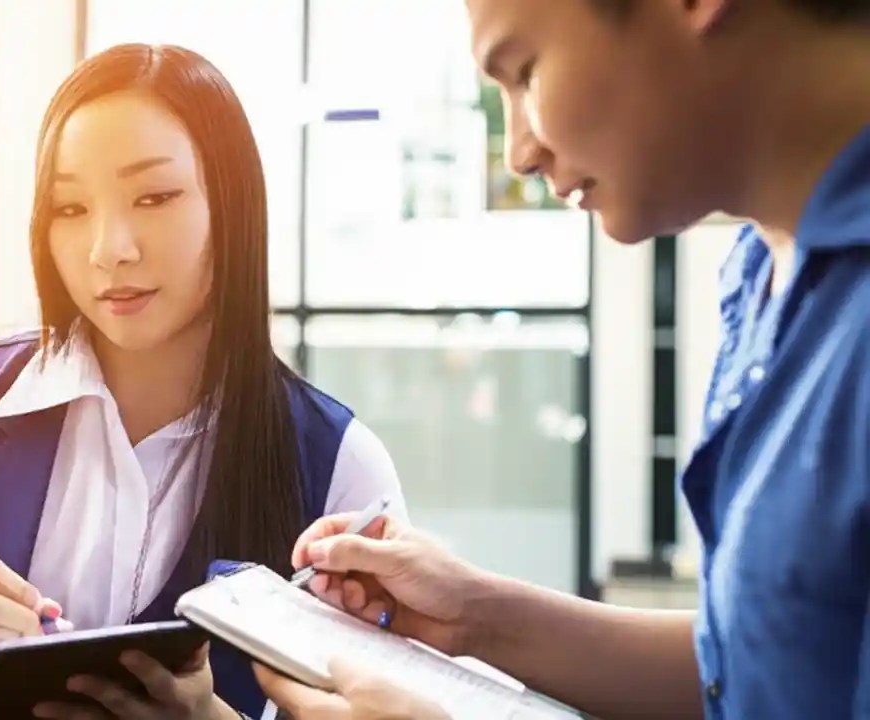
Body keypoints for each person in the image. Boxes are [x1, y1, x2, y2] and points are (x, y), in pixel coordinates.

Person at [255, 0, 870, 718]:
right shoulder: (764, 266)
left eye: (525, 73)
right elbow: (761, 668)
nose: (520, 151)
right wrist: (478, 617)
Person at [0, 43, 406, 720]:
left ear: (232, 204)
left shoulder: (338, 465)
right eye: (70, 208)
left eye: (154, 197)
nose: (109, 249)